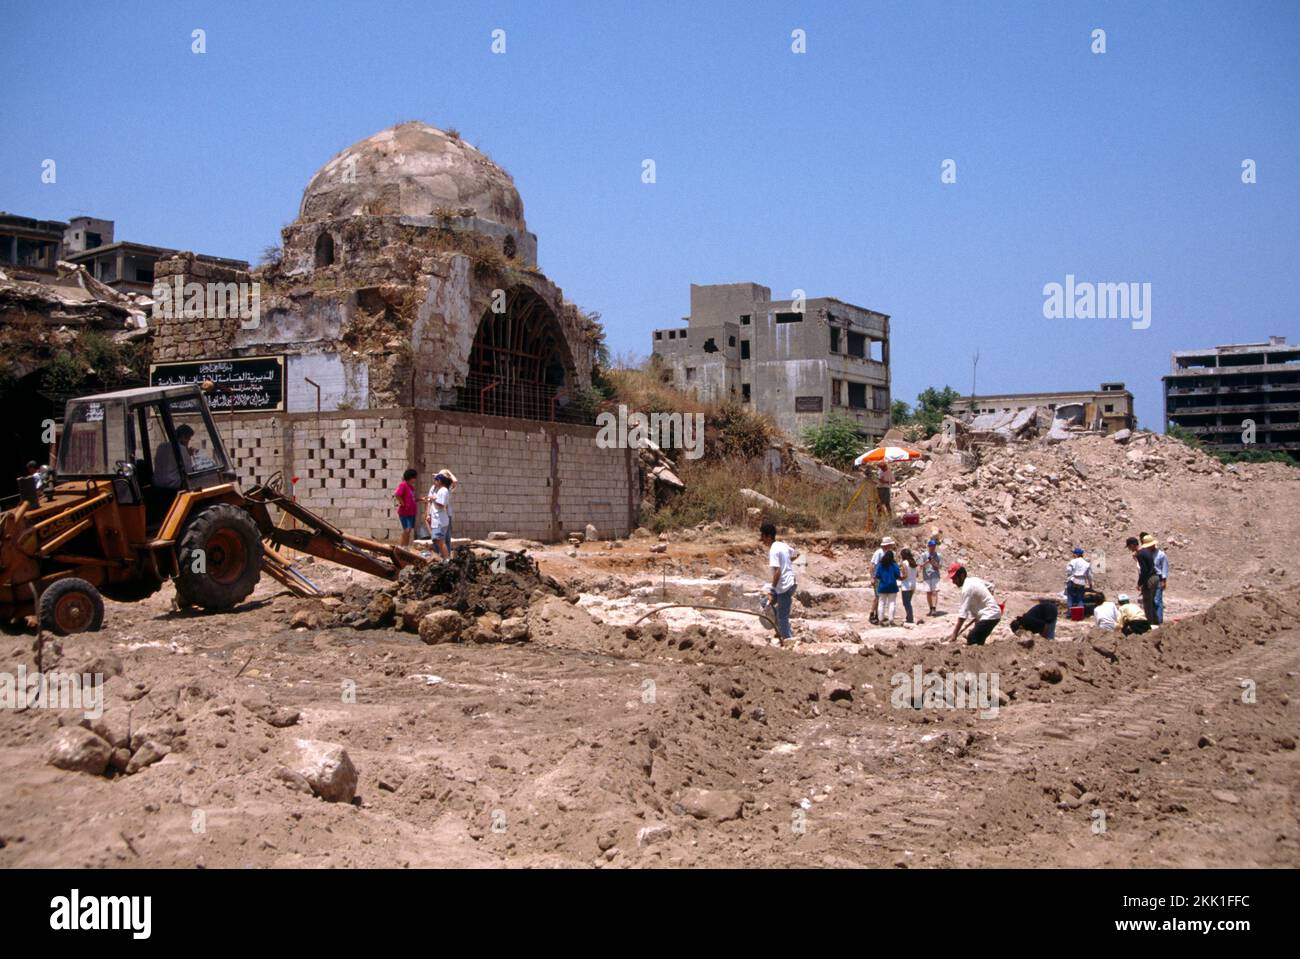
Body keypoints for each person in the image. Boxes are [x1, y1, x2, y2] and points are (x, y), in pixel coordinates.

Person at [760, 521, 797, 644]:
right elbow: (797, 553)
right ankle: (779, 629)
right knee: (765, 603)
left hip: (785, 587)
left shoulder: (774, 550)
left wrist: (772, 590)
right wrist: (787, 562)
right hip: (788, 583)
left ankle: (788, 641)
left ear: (768, 537)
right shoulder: (782, 545)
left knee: (783, 617)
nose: (762, 540)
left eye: (763, 537)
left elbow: (778, 572)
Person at [948, 563, 1001, 645]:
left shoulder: (967, 589)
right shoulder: (974, 580)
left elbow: (962, 615)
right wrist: (986, 603)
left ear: (962, 575)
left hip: (990, 616)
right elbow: (991, 587)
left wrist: (954, 634)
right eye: (952, 579)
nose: (953, 582)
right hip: (991, 614)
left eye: (955, 578)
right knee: (977, 638)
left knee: (972, 638)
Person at [1129, 534, 1160, 626]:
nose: (1129, 549)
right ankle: (1156, 623)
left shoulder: (1140, 554)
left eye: (1129, 547)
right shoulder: (1146, 551)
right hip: (1155, 577)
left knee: (1147, 604)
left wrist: (1140, 583)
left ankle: (1150, 625)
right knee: (1152, 602)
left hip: (1149, 579)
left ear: (1132, 545)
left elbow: (1144, 570)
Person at [153, 424, 194, 489]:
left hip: (158, 483)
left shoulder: (161, 446)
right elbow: (188, 471)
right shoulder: (181, 448)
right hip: (173, 485)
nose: (188, 442)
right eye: (188, 439)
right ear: (183, 437)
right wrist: (188, 454)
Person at [869, 536, 896, 624]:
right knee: (878, 596)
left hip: (883, 578)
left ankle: (878, 615)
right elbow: (872, 565)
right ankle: (872, 614)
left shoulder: (888, 553)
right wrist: (872, 577)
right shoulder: (879, 553)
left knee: (880, 597)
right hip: (878, 577)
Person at [425, 473, 452, 559]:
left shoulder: (443, 490)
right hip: (438, 520)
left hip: (440, 521)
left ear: (439, 481)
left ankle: (447, 559)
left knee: (440, 541)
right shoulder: (440, 490)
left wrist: (433, 499)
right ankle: (444, 558)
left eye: (435, 480)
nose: (434, 482)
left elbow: (441, 505)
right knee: (438, 540)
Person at [874, 548, 901, 626]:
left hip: (882, 586)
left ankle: (880, 620)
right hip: (892, 586)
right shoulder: (894, 565)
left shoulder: (880, 564)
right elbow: (897, 575)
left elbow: (877, 575)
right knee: (892, 603)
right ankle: (891, 620)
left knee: (881, 603)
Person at [393, 468, 419, 547]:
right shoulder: (403, 485)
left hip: (412, 512)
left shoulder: (411, 487)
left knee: (409, 530)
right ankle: (401, 547)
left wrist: (420, 499)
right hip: (405, 512)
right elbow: (397, 494)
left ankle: (406, 547)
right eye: (414, 477)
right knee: (406, 530)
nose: (415, 479)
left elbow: (412, 499)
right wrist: (402, 503)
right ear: (410, 477)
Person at [434, 468, 457, 554]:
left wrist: (448, 472)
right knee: (437, 537)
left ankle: (446, 556)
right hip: (437, 515)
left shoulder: (448, 488)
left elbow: (455, 481)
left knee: (447, 537)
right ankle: (439, 555)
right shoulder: (435, 488)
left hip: (447, 515)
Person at [920, 538, 943, 615]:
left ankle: (934, 608)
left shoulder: (938, 555)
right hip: (926, 576)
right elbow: (920, 565)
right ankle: (930, 608)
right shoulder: (924, 555)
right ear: (928, 546)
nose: (933, 547)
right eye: (931, 546)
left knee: (935, 592)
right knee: (928, 592)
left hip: (935, 576)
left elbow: (940, 567)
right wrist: (927, 561)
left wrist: (933, 562)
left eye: (934, 546)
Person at [898, 548, 918, 625]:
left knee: (906, 603)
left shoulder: (904, 563)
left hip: (906, 585)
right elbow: (917, 575)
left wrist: (899, 578)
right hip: (913, 584)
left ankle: (910, 618)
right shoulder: (913, 563)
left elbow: (905, 575)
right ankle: (908, 617)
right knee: (908, 602)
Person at [1153, 544, 1169, 625]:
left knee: (1157, 600)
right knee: (1153, 601)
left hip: (1159, 578)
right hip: (1151, 578)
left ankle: (1159, 621)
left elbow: (1164, 568)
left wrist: (1164, 580)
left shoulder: (1161, 555)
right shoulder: (1149, 554)